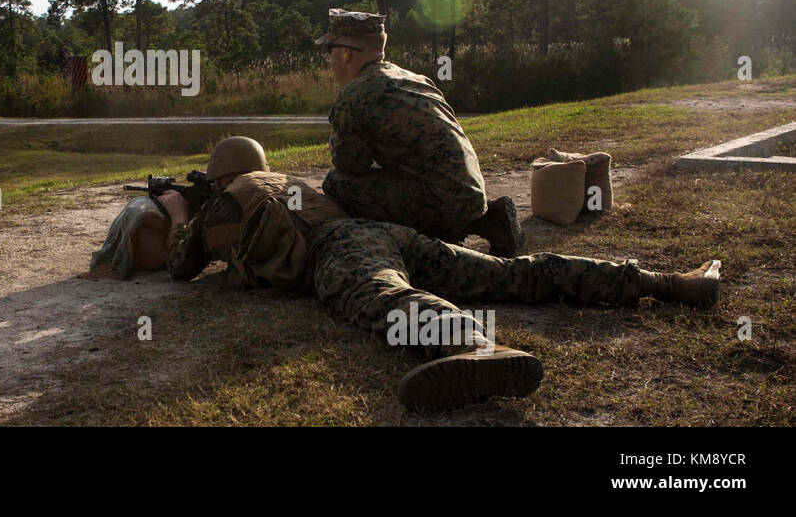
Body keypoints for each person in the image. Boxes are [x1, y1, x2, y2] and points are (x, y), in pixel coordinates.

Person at [163, 137, 722, 411]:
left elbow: (179, 267)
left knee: (384, 297)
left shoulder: (225, 203)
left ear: (220, 176)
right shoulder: (282, 182)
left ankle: (474, 348)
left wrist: (177, 213)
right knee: (510, 273)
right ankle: (669, 283)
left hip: (340, 247)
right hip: (385, 231)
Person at [317, 8, 524, 256]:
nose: (329, 59)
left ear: (346, 53)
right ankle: (488, 219)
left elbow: (349, 164)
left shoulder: (355, 95)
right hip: (471, 195)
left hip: (443, 203)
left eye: (330, 51)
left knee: (337, 182)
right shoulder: (413, 78)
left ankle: (428, 236)